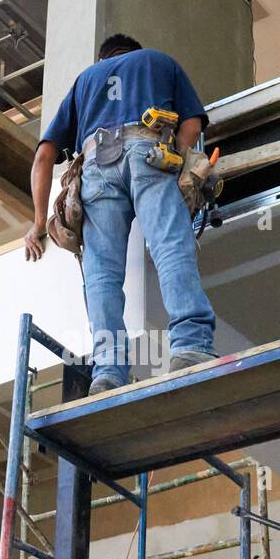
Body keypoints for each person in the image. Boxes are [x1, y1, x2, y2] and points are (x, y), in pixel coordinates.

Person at [25, 33, 217, 396]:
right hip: (150, 151)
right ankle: (190, 346)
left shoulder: (86, 80)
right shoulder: (160, 61)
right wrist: (179, 155)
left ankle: (109, 371)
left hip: (97, 166)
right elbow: (193, 123)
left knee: (101, 275)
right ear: (135, 52)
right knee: (170, 247)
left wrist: (37, 223)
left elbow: (43, 156)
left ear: (103, 59)